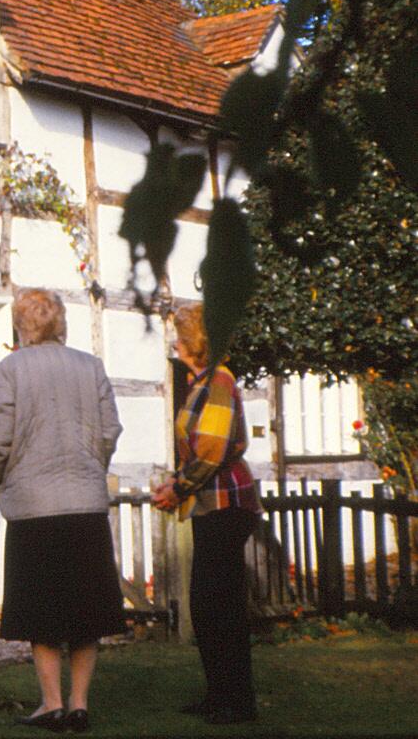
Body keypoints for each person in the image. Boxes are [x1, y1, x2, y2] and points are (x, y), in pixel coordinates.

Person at [0, 288, 126, 733]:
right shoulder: (91, 367)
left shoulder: (8, 371)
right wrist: (91, 469)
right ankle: (79, 704)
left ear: (21, 326)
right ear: (60, 322)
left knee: (41, 612)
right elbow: (109, 431)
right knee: (87, 611)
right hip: (84, 505)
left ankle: (51, 704)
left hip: (33, 509)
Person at [151, 303, 263, 725]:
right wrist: (178, 485)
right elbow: (201, 448)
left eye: (179, 334)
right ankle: (222, 696)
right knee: (211, 605)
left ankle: (236, 701)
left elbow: (213, 448)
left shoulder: (218, 379)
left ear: (195, 341)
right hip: (213, 503)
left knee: (219, 605)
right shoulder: (202, 380)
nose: (174, 342)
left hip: (226, 504)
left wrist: (177, 488)